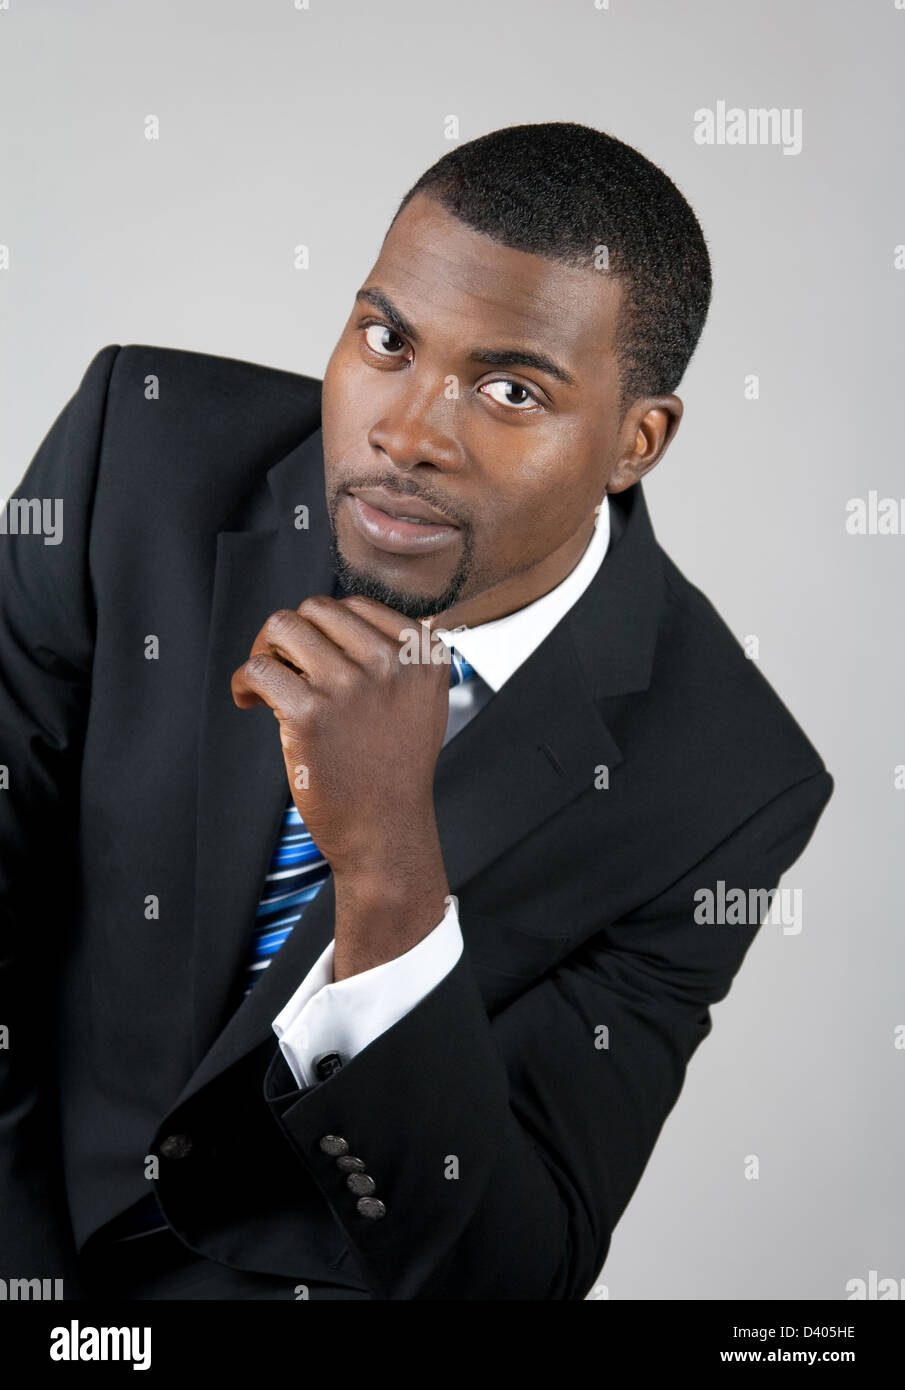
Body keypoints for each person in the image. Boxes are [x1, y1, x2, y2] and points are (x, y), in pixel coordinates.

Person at [0, 122, 833, 1300]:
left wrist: (391, 870)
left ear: (633, 442)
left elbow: (515, 1267)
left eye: (508, 389)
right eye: (386, 338)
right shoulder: (134, 454)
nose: (407, 434)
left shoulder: (722, 785)